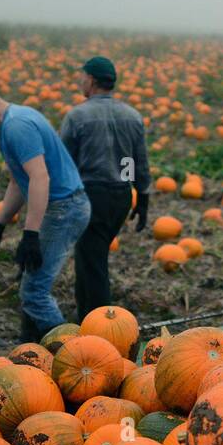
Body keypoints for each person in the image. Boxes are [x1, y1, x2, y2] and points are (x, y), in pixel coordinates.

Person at [0, 79, 91, 343]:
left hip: (64, 209)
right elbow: (19, 181)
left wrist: (30, 235)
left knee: (34, 291)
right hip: (64, 206)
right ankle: (30, 345)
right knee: (31, 278)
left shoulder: (17, 126)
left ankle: (72, 350)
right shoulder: (13, 121)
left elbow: (40, 178)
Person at [59, 56, 150, 320]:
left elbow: (64, 163)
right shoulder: (132, 116)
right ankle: (86, 318)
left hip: (91, 196)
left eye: (82, 77)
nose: (80, 81)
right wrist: (143, 198)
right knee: (90, 257)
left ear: (91, 80)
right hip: (121, 196)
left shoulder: (77, 116)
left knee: (93, 264)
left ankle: (102, 324)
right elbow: (139, 163)